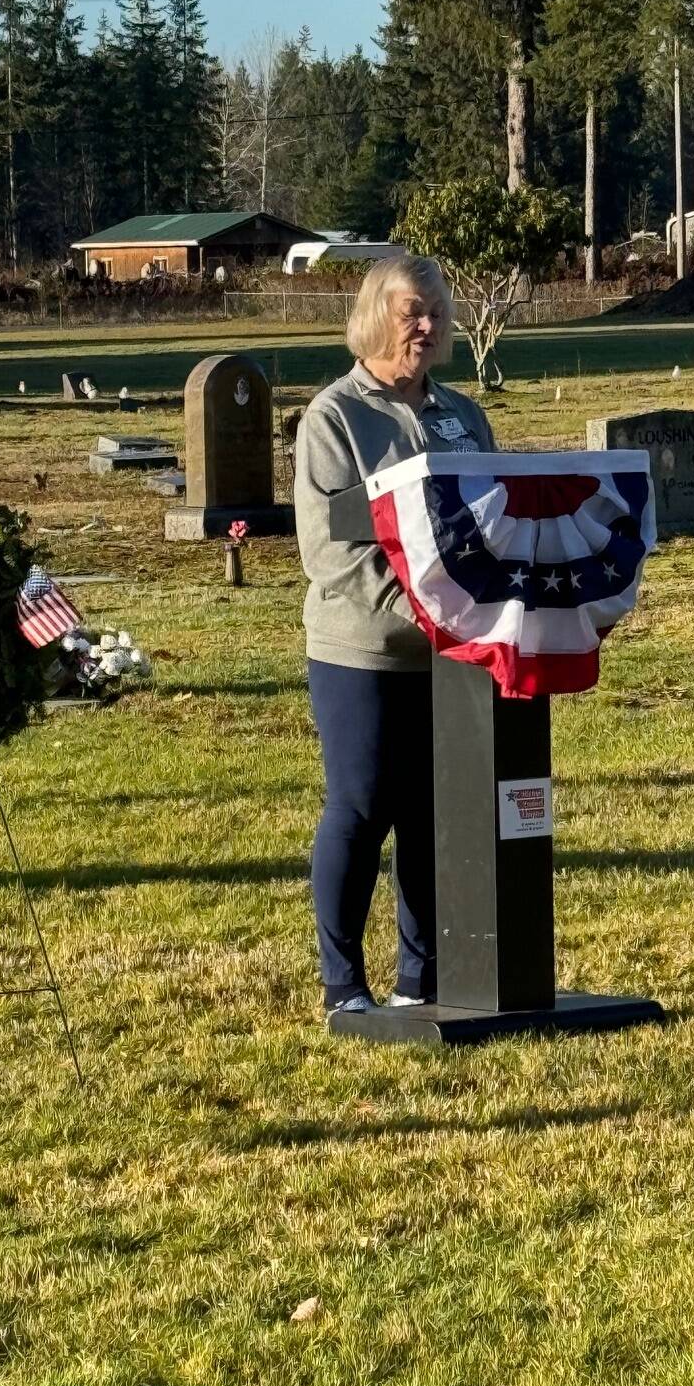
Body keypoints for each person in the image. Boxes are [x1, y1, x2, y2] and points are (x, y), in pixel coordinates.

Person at [294, 255, 496, 1017]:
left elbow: (497, 518)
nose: (429, 325)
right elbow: (331, 551)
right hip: (365, 652)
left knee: (432, 814)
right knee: (362, 805)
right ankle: (344, 987)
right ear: (376, 315)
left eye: (438, 312)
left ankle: (423, 980)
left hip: (455, 657)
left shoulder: (463, 414)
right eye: (414, 311)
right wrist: (430, 613)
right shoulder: (336, 417)